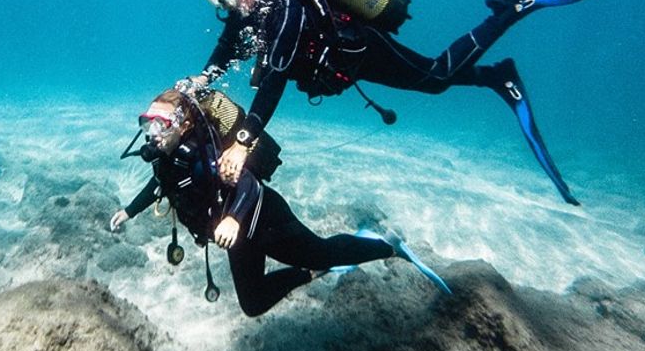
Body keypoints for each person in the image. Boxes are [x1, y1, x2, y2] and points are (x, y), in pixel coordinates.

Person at [189, 0, 629, 206]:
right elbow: (228, 45)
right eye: (217, 0)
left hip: (360, 50)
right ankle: (496, 76)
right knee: (430, 81)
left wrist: (244, 141)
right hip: (341, 65)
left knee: (436, 76)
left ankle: (512, 10)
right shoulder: (249, 7)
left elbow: (276, 78)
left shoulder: (284, 5)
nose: (224, 8)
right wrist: (202, 80)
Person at [109, 84, 443, 317]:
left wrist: (232, 219)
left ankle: (389, 247)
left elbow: (249, 184)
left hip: (264, 220)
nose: (151, 133)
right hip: (237, 237)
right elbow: (162, 183)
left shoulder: (206, 153)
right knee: (253, 304)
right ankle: (312, 273)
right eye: (146, 123)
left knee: (324, 252)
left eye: (159, 124)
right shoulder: (166, 158)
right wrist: (129, 210)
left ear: (182, 124)